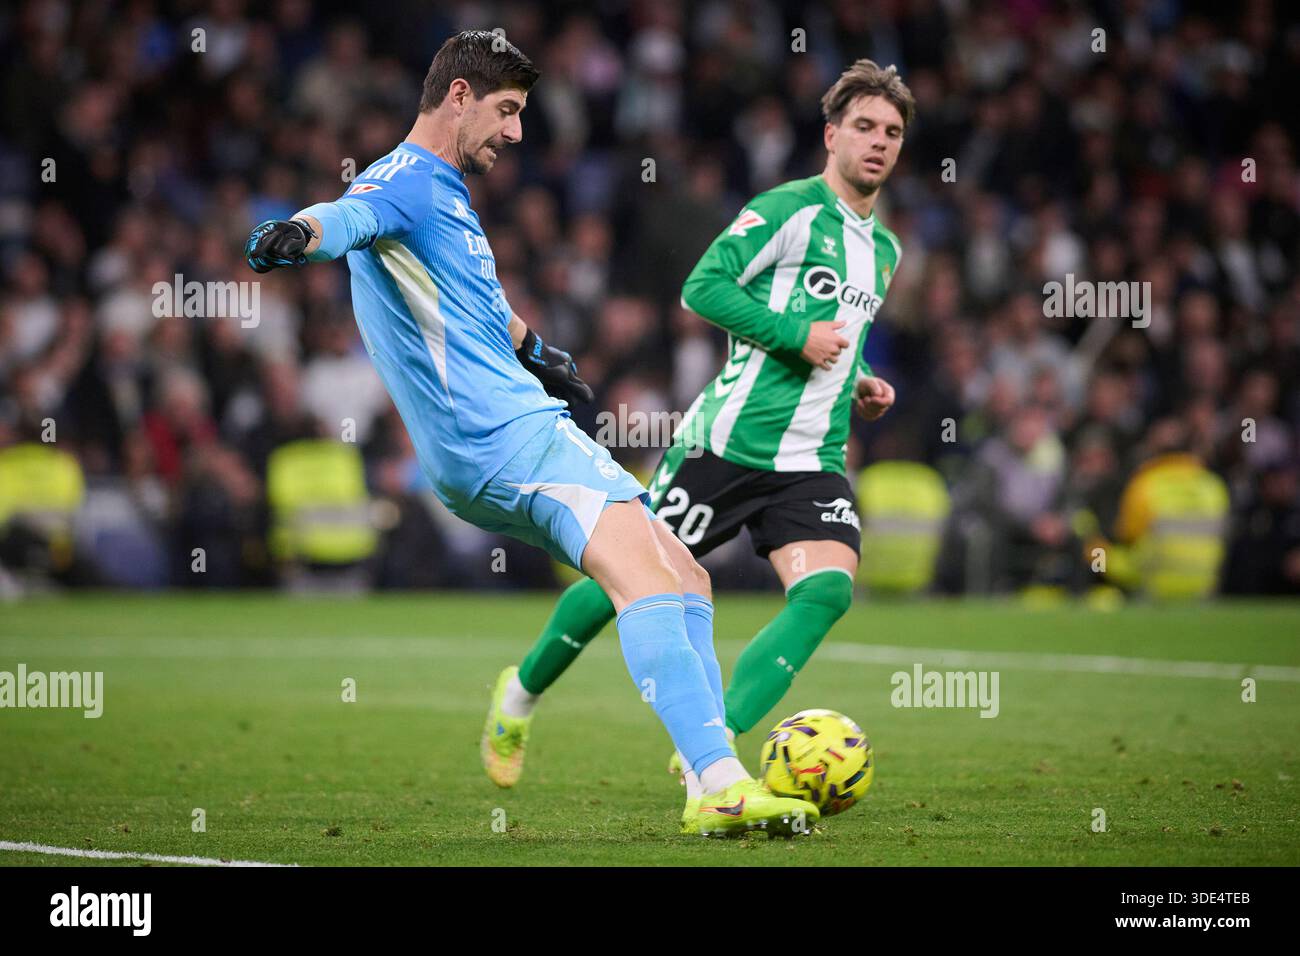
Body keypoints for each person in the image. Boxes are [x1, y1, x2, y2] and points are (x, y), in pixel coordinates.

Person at [243, 30, 817, 838]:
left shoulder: (445, 196)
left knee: (688, 575)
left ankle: (704, 767)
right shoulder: (405, 181)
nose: (515, 133)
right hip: (504, 436)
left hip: (490, 440)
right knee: (647, 582)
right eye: (506, 112)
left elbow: (471, 301)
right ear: (457, 97)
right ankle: (718, 785)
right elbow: (346, 217)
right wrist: (297, 234)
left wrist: (535, 349)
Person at [486, 59, 909, 819]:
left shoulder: (885, 250)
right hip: (725, 447)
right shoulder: (787, 209)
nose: (879, 143)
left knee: (827, 591)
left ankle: (705, 752)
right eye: (865, 128)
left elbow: (839, 340)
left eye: (893, 133)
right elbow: (703, 288)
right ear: (831, 135)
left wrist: (862, 377)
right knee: (621, 588)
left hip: (812, 459)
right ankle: (519, 692)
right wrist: (793, 335)